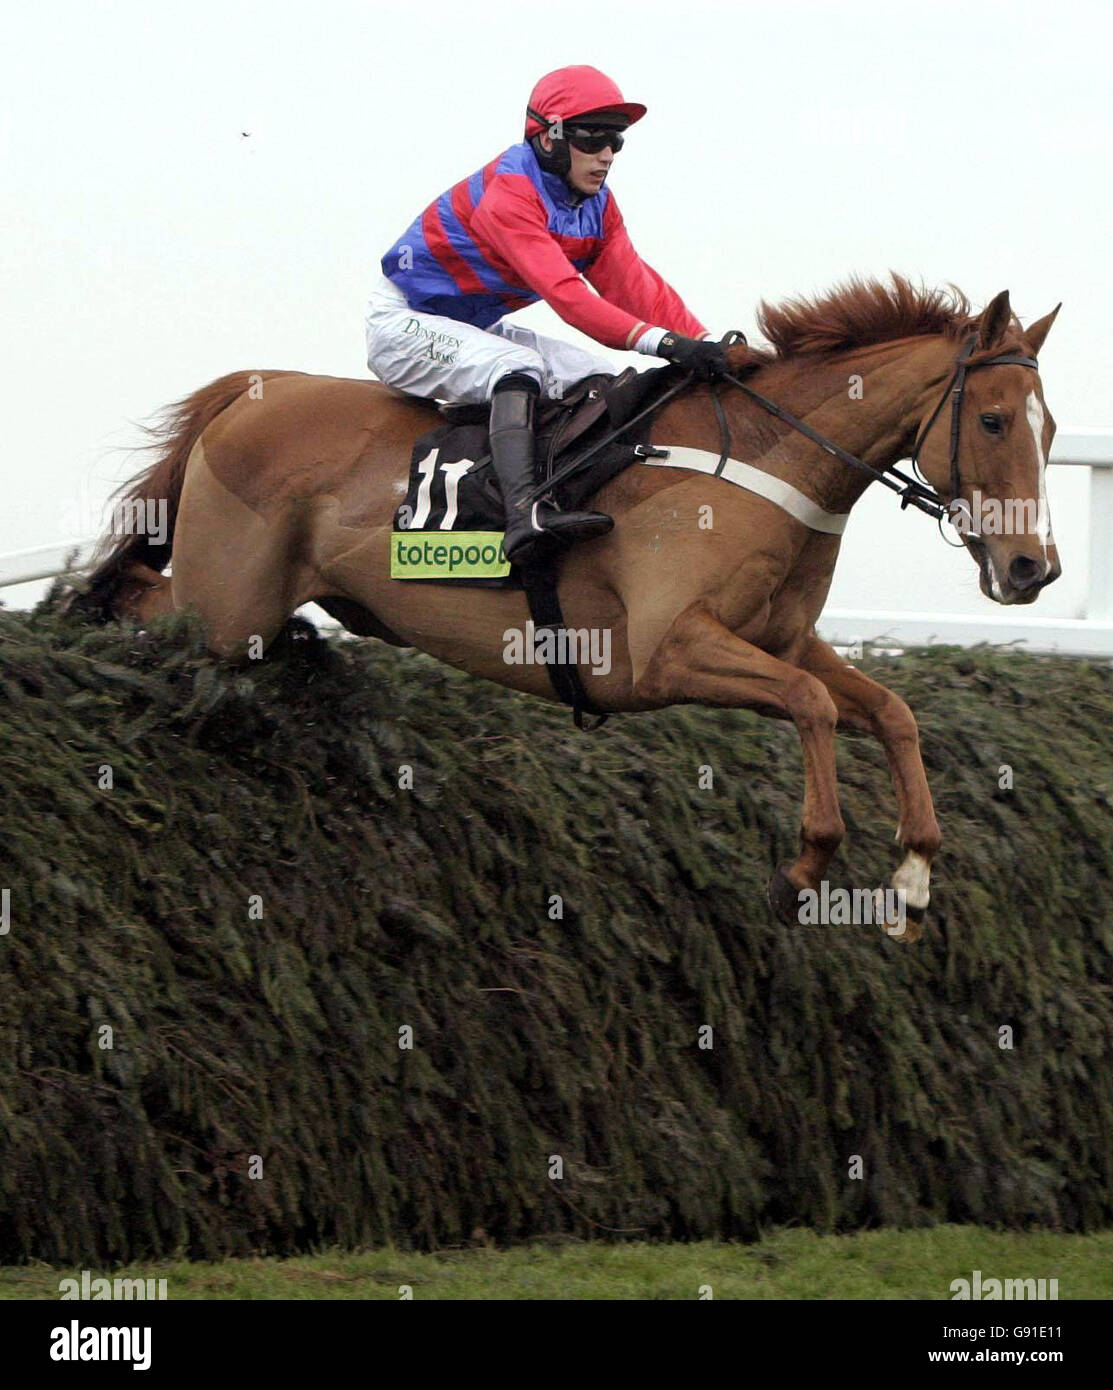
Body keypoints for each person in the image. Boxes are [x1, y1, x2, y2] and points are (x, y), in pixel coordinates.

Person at [366, 64, 726, 564]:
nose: (606, 154)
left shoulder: (597, 204)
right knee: (520, 369)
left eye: (616, 141)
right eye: (593, 138)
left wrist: (704, 340)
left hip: (470, 326)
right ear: (550, 138)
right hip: (402, 323)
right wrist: (664, 345)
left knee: (598, 379)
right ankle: (523, 514)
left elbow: (632, 284)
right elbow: (569, 297)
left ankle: (560, 491)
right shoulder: (510, 193)